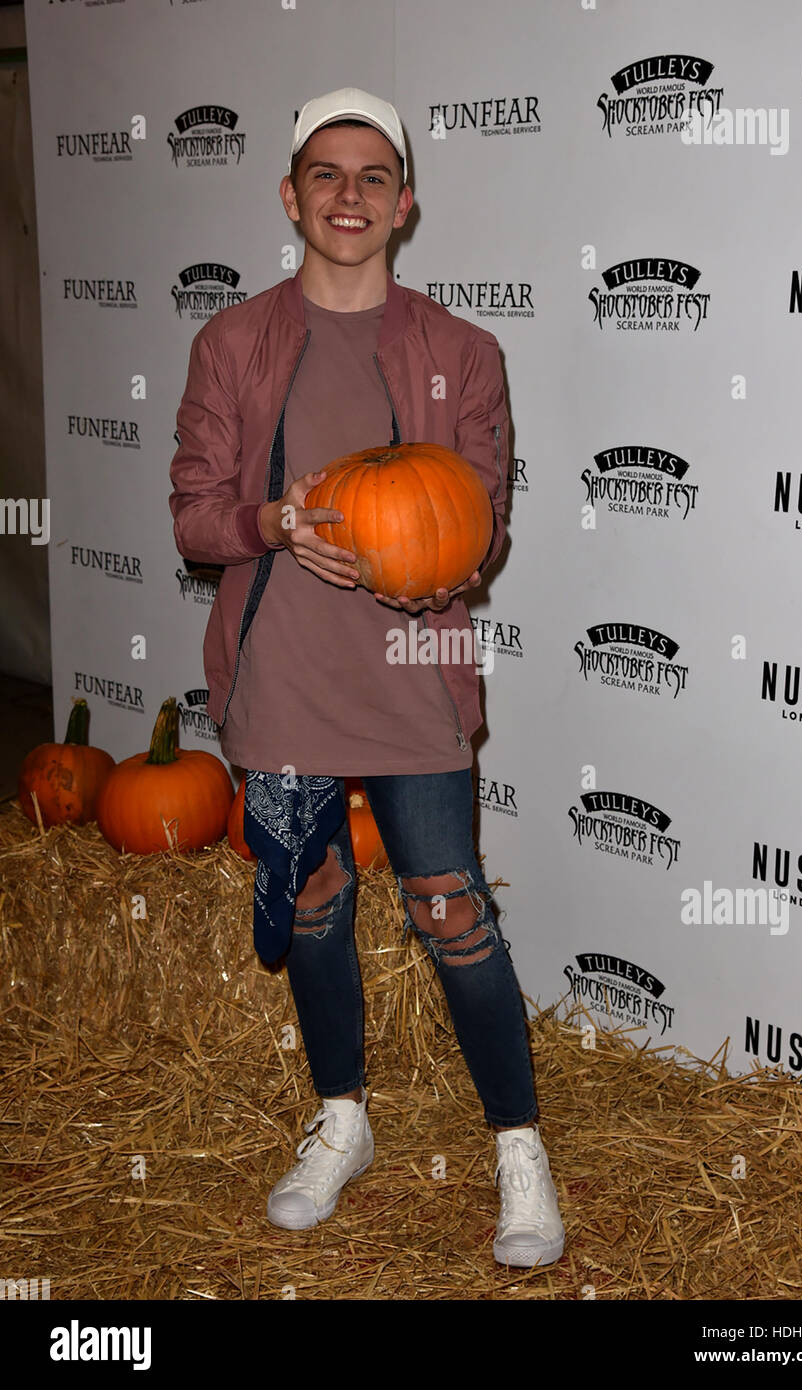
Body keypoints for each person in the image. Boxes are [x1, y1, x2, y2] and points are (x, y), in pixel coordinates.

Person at [169, 87, 565, 1268]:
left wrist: (440, 572)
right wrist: (274, 521)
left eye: (373, 177)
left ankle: (518, 1146)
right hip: (284, 679)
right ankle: (342, 1118)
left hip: (417, 675)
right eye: (326, 176)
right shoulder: (232, 342)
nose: (350, 196)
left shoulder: (464, 350)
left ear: (406, 205)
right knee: (314, 907)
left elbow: (478, 522)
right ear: (291, 198)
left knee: (454, 913)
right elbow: (195, 519)